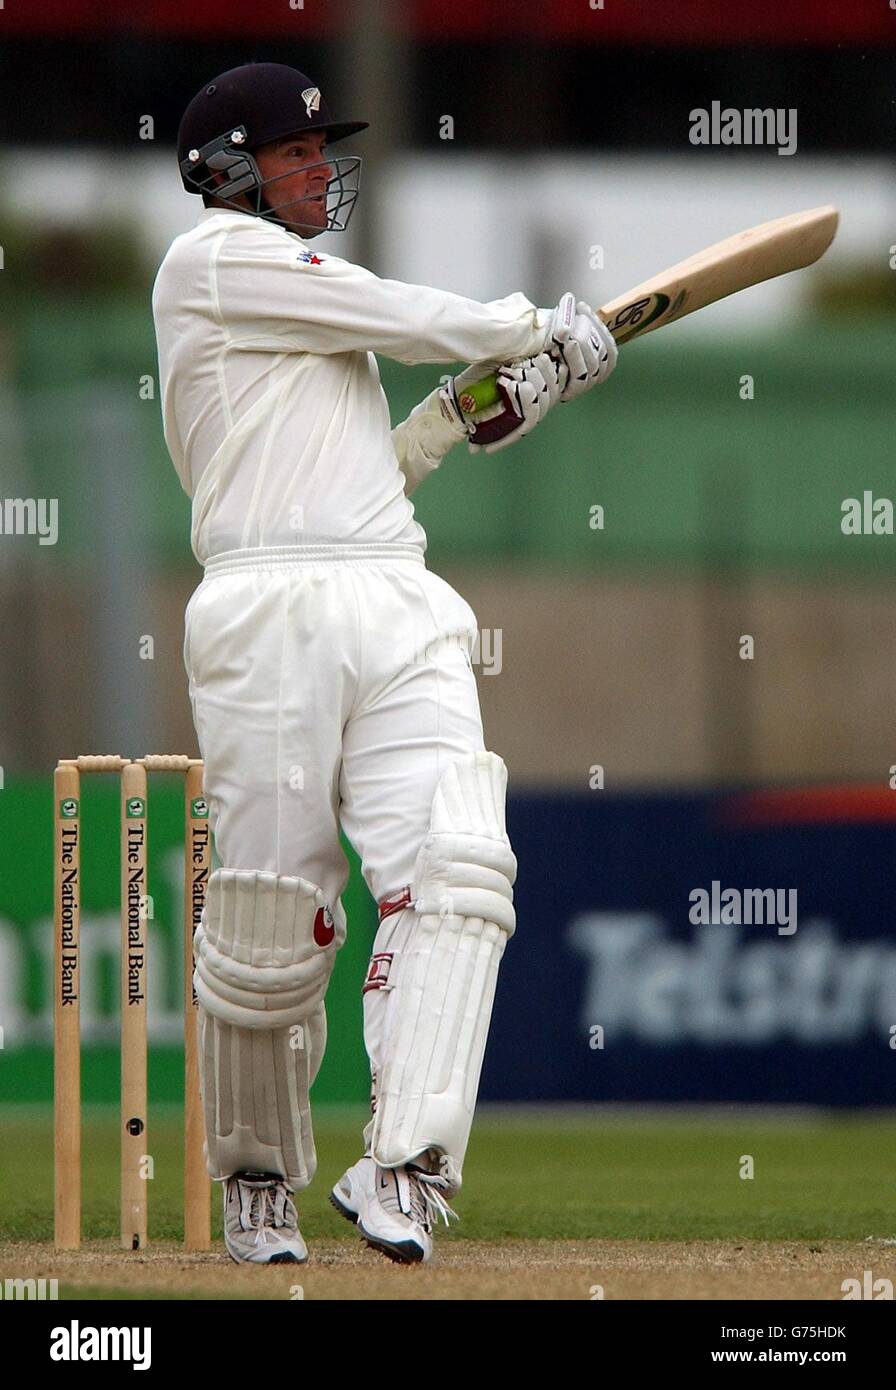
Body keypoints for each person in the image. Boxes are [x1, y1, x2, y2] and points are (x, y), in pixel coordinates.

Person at [152, 61, 617, 1265]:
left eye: (323, 151)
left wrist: (490, 402)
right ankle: (257, 1178)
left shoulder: (304, 316)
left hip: (394, 589)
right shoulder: (210, 262)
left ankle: (404, 1167)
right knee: (275, 911)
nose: (319, 169)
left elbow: (380, 460)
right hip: (267, 609)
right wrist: (532, 328)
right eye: (296, 153)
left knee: (456, 869)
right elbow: (407, 317)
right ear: (228, 173)